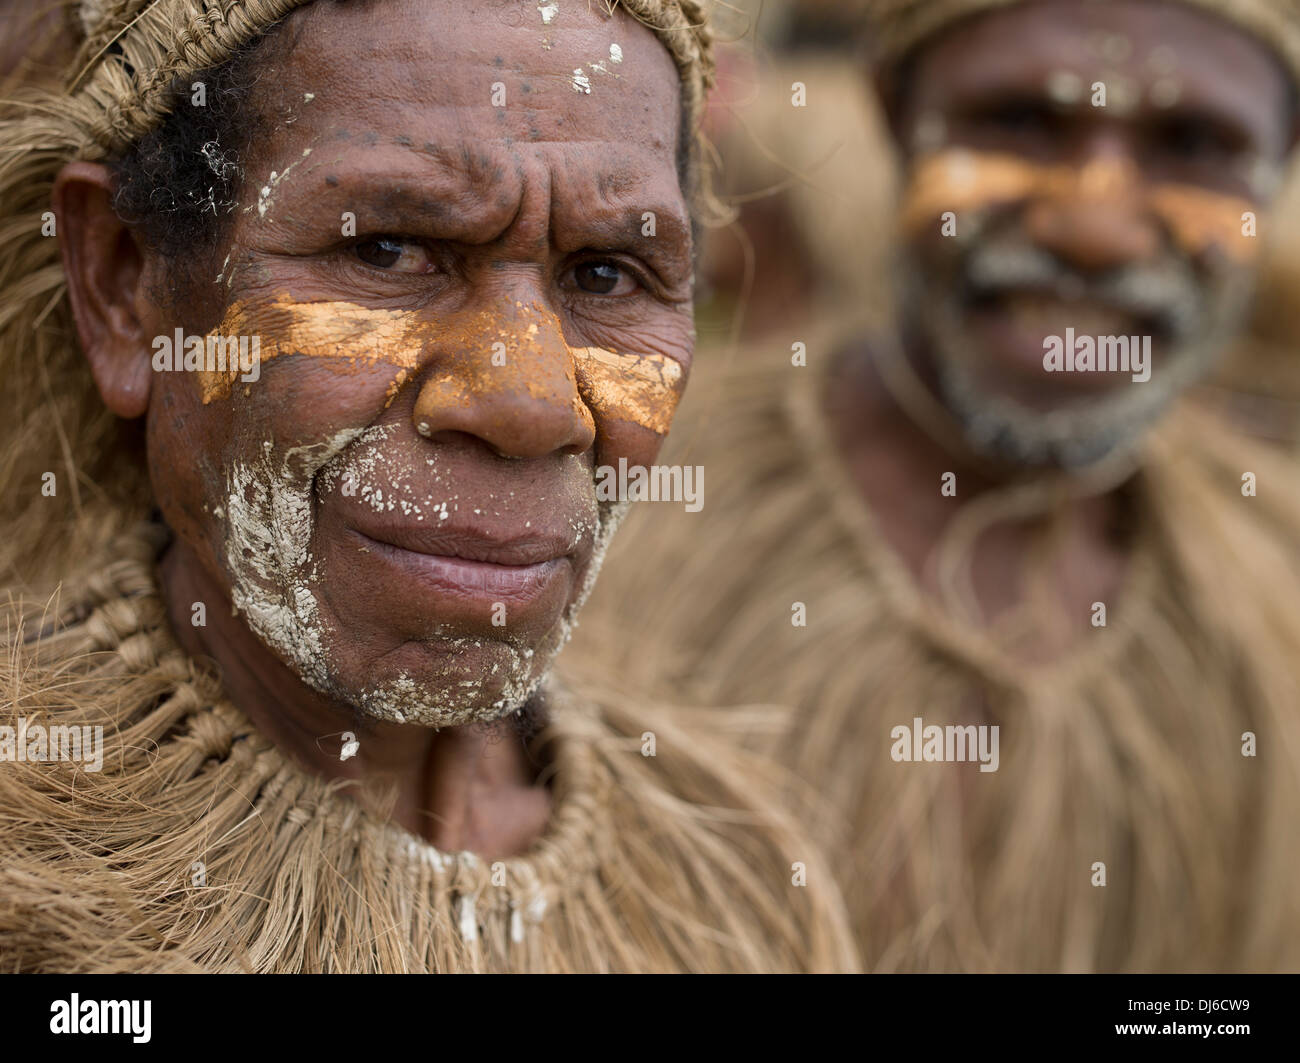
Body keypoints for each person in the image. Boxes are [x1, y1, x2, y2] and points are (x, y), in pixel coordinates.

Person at [0, 0, 857, 973]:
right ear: (123, 285)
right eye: (387, 250)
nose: (530, 403)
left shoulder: (737, 897)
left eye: (608, 275)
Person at [573, 0, 1300, 971]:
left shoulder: (1278, 604)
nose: (1094, 228)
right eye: (1018, 121)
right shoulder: (599, 516)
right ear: (892, 116)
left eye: (1192, 142)